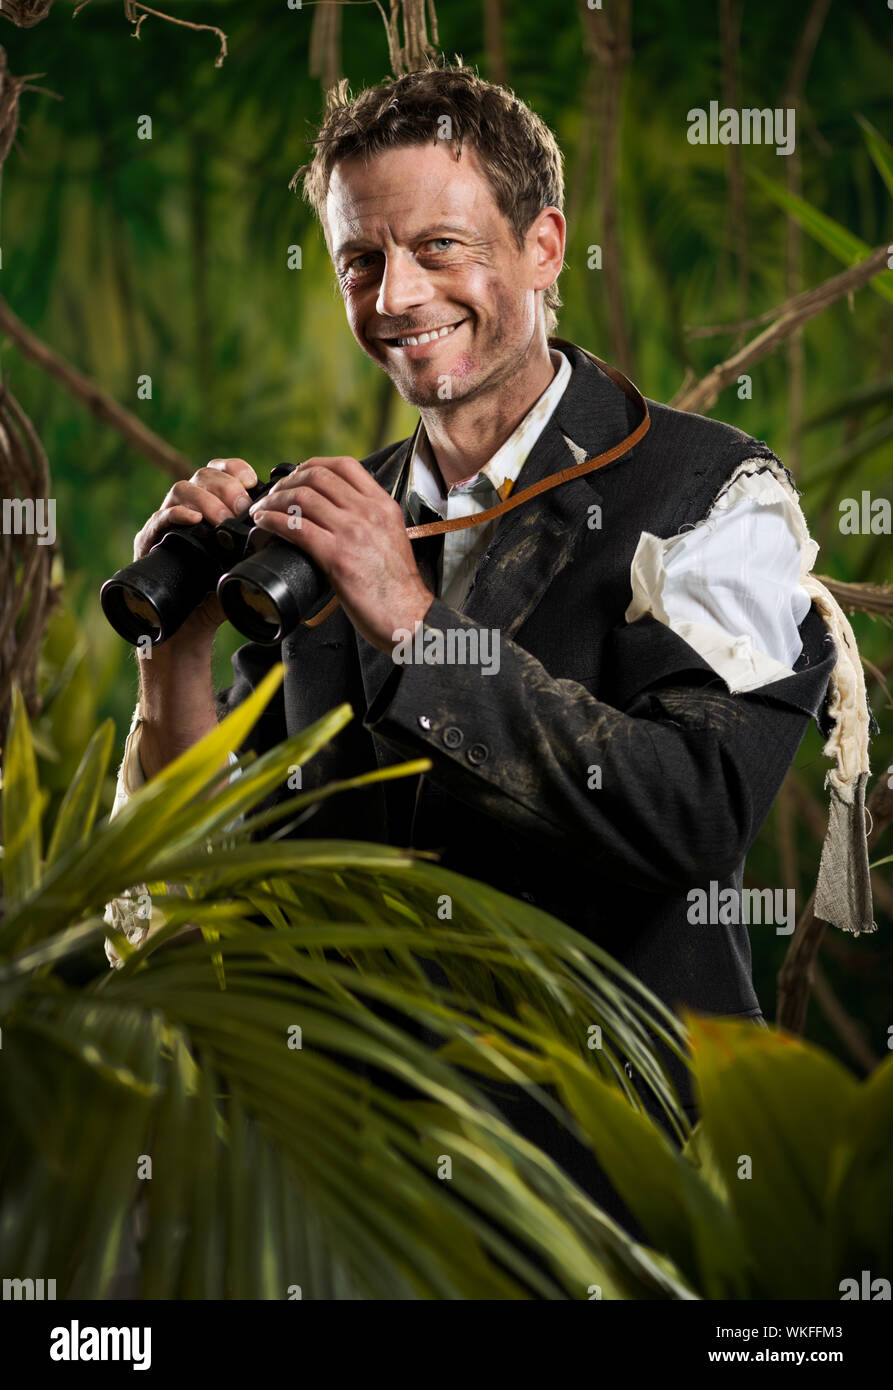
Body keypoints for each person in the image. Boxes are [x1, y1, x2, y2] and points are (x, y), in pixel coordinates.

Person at [103, 60, 874, 1227]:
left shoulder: (712, 492)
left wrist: (414, 622)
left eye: (441, 247)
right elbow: (220, 881)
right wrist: (178, 651)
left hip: (606, 1185)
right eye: (362, 259)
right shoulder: (325, 525)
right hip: (344, 1175)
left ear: (544, 246)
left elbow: (693, 811)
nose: (397, 294)